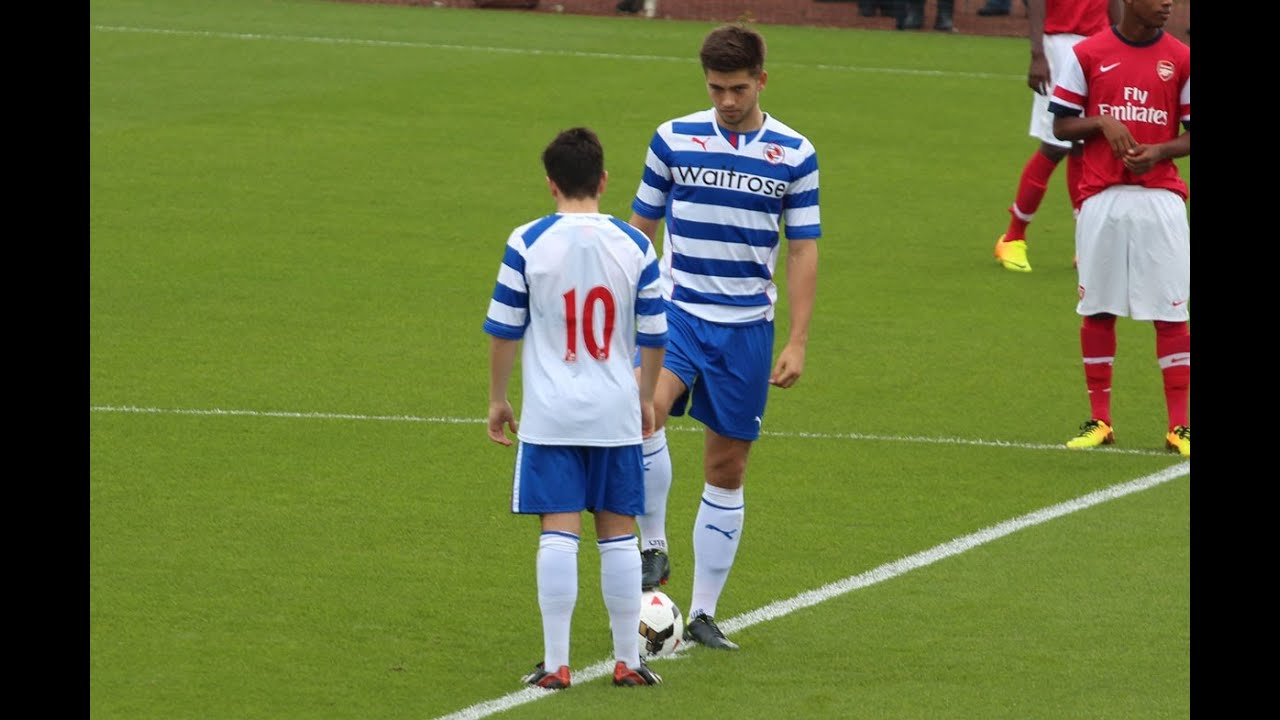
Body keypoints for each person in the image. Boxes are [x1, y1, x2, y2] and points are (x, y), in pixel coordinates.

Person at [624, 23, 821, 651]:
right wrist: (632, 308)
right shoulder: (673, 138)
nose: (728, 101)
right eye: (716, 89)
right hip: (676, 313)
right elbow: (641, 227)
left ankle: (704, 614)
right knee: (643, 412)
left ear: (762, 80)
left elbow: (802, 251)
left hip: (745, 331)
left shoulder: (794, 153)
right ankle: (653, 546)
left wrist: (797, 340)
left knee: (727, 465)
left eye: (738, 88)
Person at [484, 126, 669, 689]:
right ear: (604, 180)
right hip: (615, 410)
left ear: (551, 183)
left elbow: (503, 330)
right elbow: (656, 333)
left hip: (552, 415)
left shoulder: (526, 241)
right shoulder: (635, 245)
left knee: (558, 531)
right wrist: (645, 397)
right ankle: (629, 662)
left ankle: (558, 663)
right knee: (618, 531)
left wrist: (498, 399)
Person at [1048, 0, 1190, 456]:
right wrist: (1102, 122)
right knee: (1098, 308)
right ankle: (1100, 420)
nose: (1168, 3)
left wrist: (1161, 151)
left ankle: (1180, 427)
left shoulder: (1182, 57)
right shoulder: (1088, 53)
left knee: (1170, 312)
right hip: (1100, 198)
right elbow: (1063, 124)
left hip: (1161, 198)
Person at [992, 0, 1121, 273]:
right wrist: (1038, 52)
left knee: (1082, 145)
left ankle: (1085, 244)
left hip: (1099, 46)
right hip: (1059, 46)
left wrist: (1121, 44)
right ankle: (1013, 237)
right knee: (1055, 145)